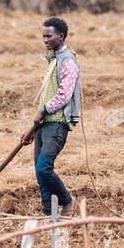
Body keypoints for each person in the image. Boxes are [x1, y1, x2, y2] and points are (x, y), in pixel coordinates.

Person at [21, 17, 81, 216]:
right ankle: (49, 213)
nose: (45, 39)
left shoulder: (68, 61)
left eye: (49, 36)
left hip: (57, 123)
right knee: (39, 172)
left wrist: (42, 110)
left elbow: (64, 94)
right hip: (43, 124)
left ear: (60, 36)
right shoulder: (53, 59)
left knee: (44, 167)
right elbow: (49, 92)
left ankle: (67, 201)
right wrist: (33, 125)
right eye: (43, 36)